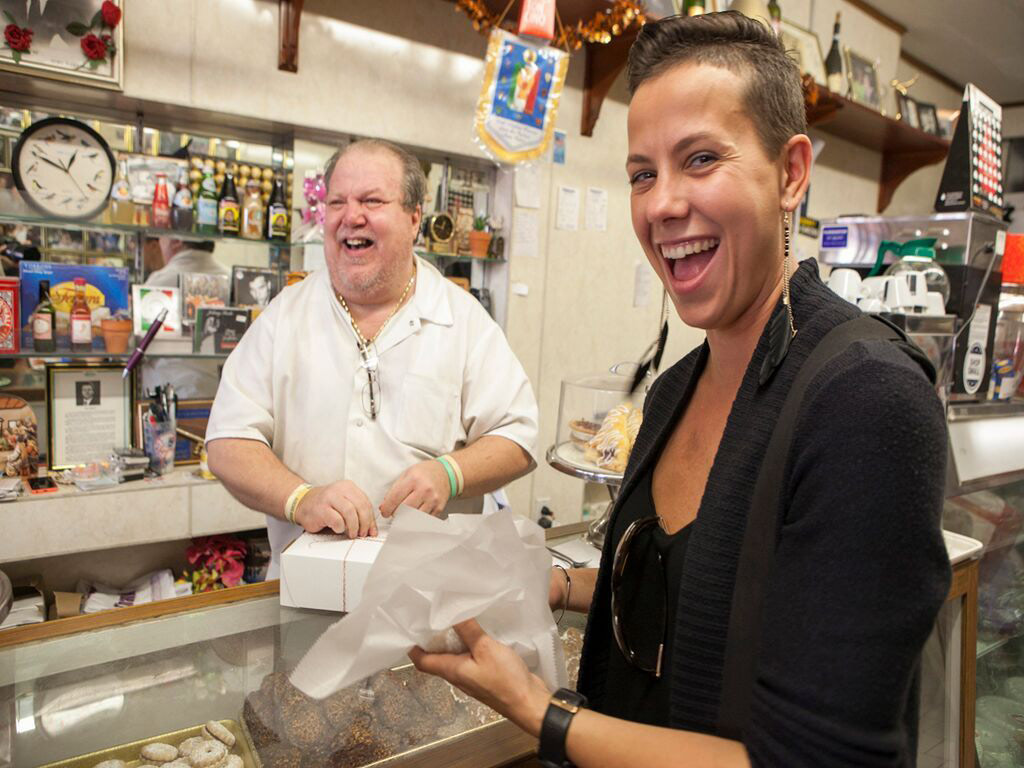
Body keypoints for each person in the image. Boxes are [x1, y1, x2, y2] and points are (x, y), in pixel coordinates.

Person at [411, 12, 950, 768]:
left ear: (791, 172)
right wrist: (557, 583)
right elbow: (705, 589)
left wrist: (543, 714)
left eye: (700, 159)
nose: (661, 204)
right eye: (642, 173)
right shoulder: (670, 394)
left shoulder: (867, 404)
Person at [206, 138, 539, 576]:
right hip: (308, 589)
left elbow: (517, 435)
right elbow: (228, 441)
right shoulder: (284, 317)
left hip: (429, 594)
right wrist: (300, 498)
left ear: (414, 218)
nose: (351, 216)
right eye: (338, 201)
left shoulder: (462, 321)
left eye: (372, 200)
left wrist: (450, 473)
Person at [143, 237, 230, 398]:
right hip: (219, 394)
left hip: (170, 395)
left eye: (161, 238)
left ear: (175, 240)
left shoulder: (160, 281)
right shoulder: (231, 277)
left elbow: (138, 345)